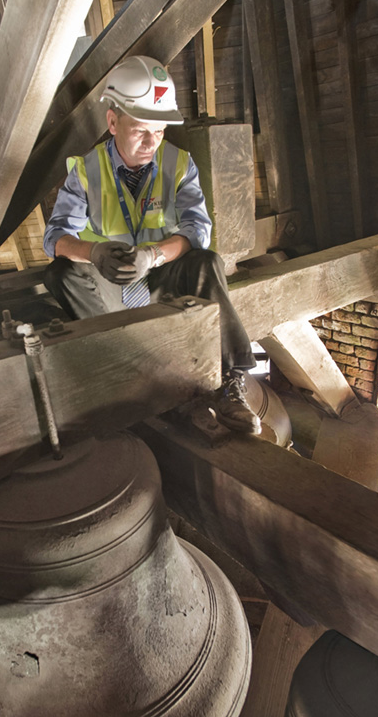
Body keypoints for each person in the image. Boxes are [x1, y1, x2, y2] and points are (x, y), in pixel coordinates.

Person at [42, 55, 260, 434]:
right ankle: (131, 376)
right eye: (141, 130)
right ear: (112, 122)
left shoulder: (179, 163)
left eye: (158, 131)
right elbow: (55, 237)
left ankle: (228, 383)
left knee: (207, 261)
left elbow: (197, 229)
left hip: (161, 278)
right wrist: (92, 253)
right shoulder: (86, 171)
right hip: (108, 287)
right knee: (61, 273)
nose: (151, 142)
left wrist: (155, 255)